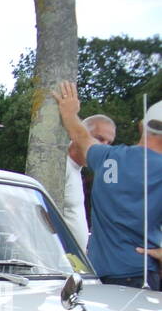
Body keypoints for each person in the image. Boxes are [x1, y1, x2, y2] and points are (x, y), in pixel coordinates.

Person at [56, 81, 162, 289]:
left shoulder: (108, 157)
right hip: (139, 273)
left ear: (142, 126)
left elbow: (80, 136)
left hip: (98, 273)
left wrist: (69, 112)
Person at [63, 114, 116, 249]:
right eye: (99, 138)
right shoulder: (61, 168)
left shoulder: (75, 170)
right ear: (79, 134)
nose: (104, 147)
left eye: (109, 143)